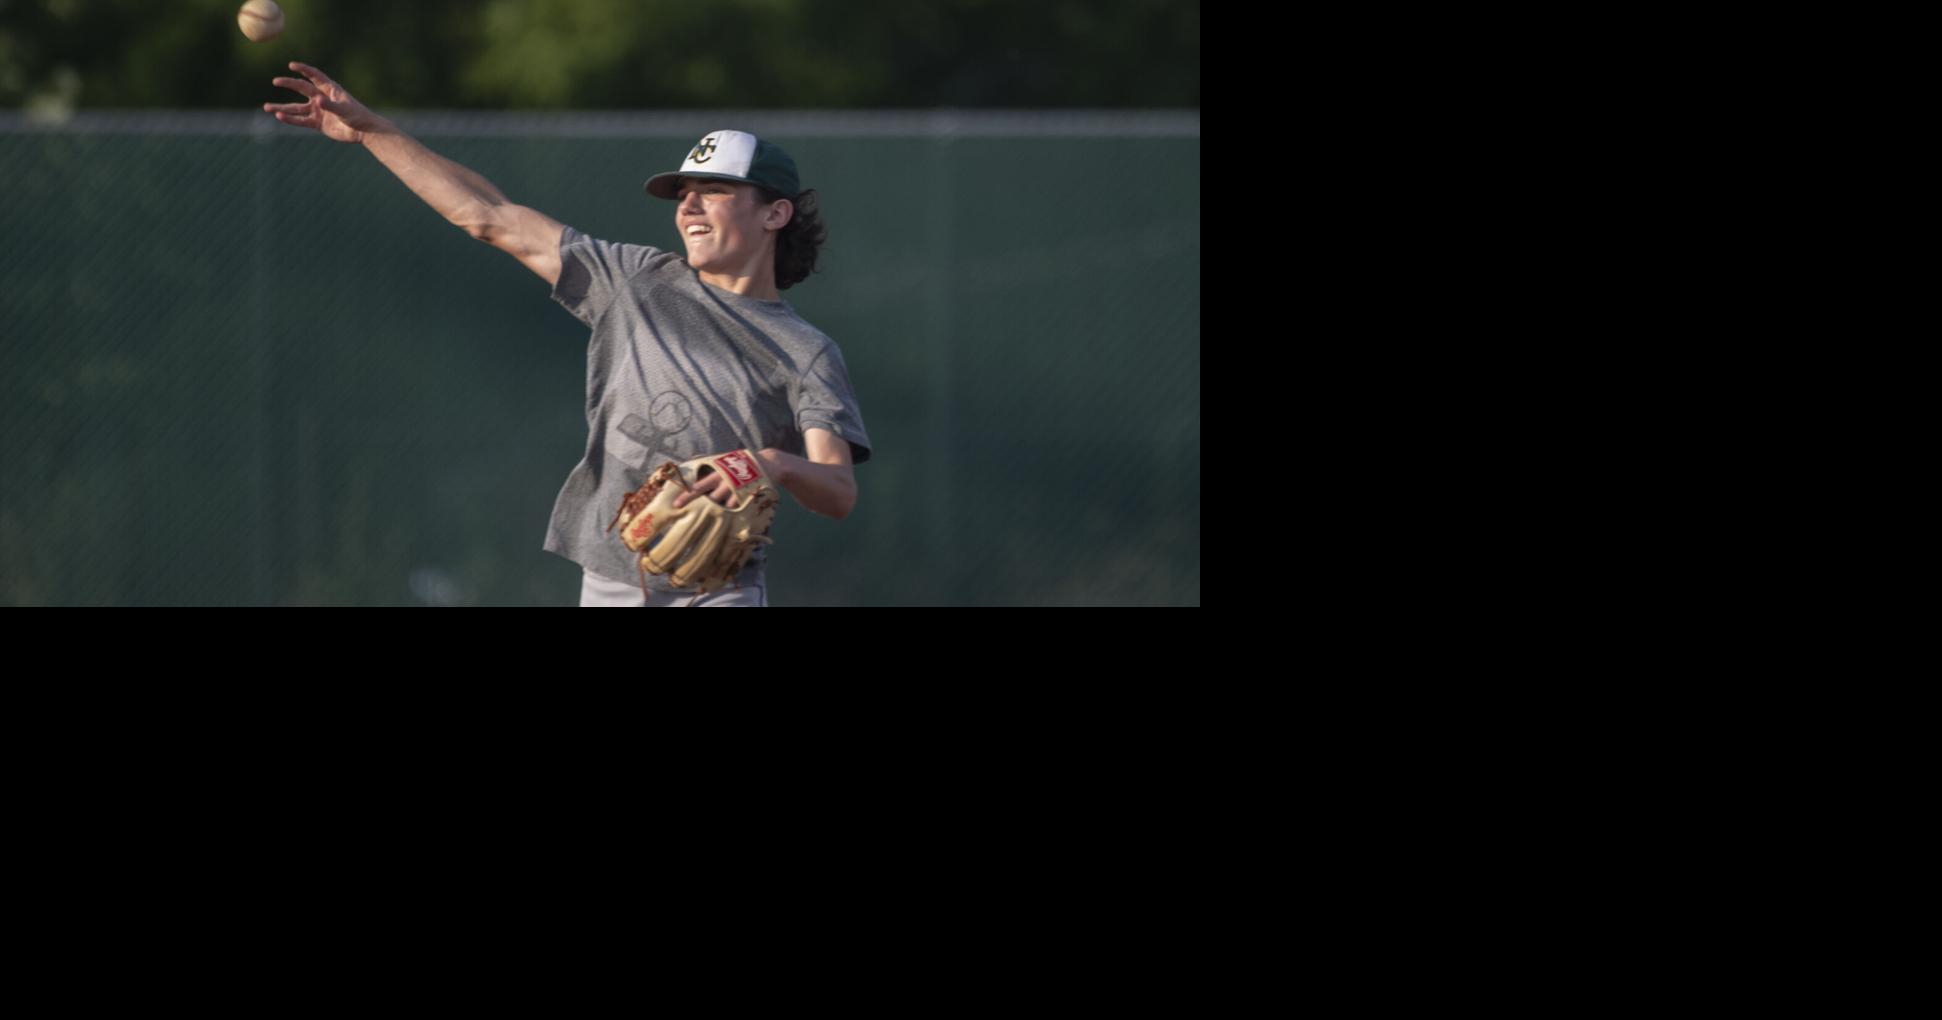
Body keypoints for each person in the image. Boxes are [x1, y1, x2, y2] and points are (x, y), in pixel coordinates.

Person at [264, 62, 872, 607]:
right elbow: (489, 217)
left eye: (715, 191)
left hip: (720, 589)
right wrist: (374, 132)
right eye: (683, 194)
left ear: (775, 213)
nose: (689, 206)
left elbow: (837, 490)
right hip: (611, 575)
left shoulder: (805, 352)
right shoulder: (636, 281)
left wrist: (771, 464)